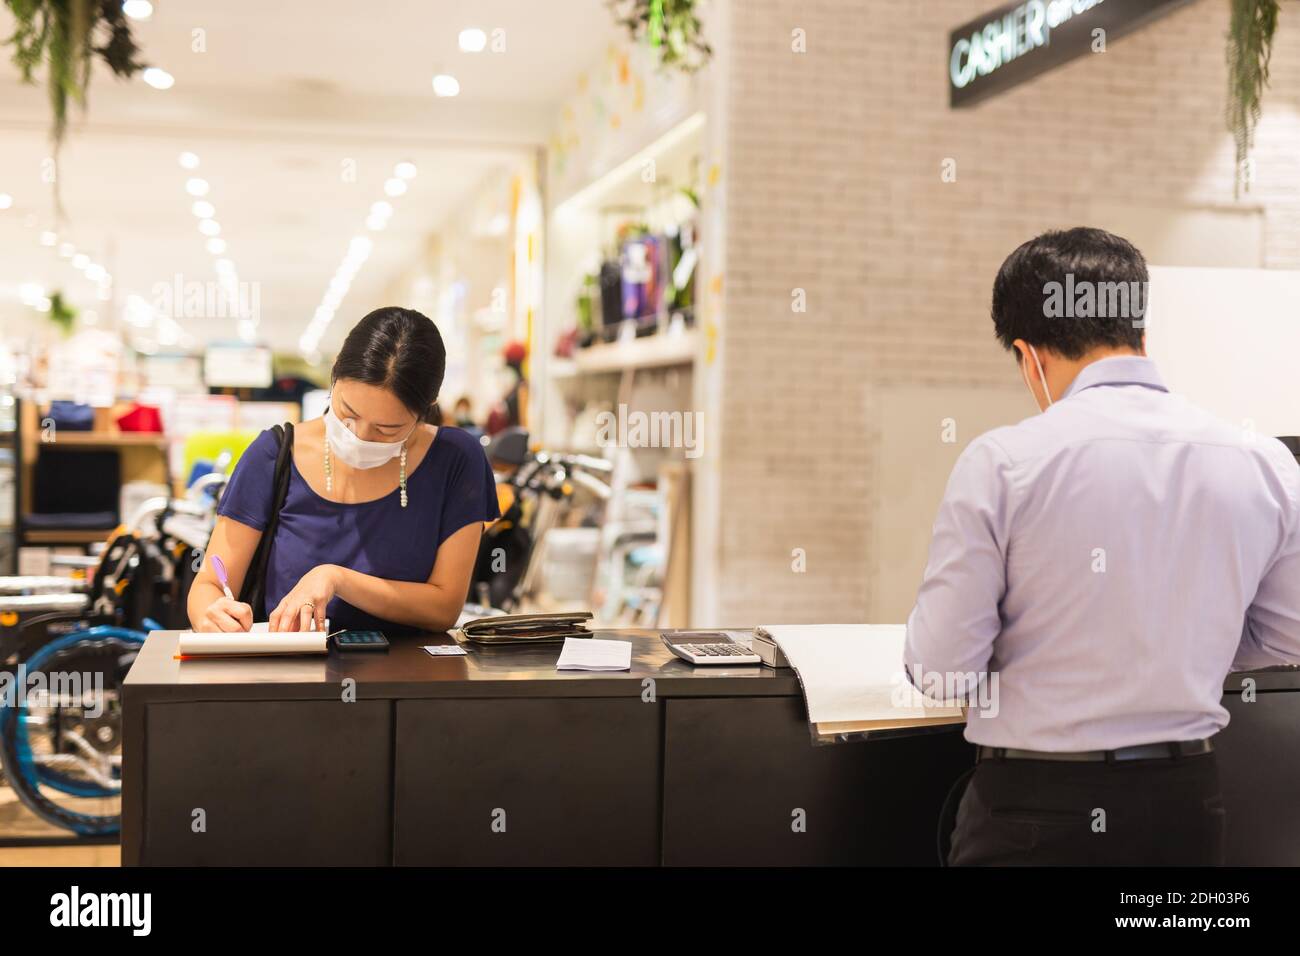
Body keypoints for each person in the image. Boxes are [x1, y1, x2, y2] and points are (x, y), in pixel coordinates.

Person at [904, 227, 1300, 865]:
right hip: (1185, 812)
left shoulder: (1003, 463)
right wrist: (1178, 649)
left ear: (1030, 356)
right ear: (1140, 332)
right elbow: (1287, 636)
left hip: (1035, 812)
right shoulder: (1264, 462)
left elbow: (943, 668)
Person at [187, 307, 501, 634]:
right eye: (347, 413)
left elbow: (443, 608)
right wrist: (211, 613)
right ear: (334, 375)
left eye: (386, 429)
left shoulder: (456, 461)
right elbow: (209, 583)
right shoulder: (273, 456)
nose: (359, 436)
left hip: (411, 681)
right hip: (289, 677)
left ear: (424, 411)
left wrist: (336, 579)